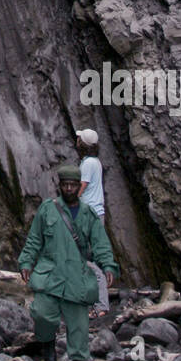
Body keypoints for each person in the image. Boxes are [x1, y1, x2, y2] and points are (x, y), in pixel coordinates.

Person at [17, 162, 118, 361]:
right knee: (41, 312)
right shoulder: (47, 210)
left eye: (74, 184)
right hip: (50, 272)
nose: (70, 188)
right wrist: (26, 262)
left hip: (76, 277)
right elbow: (34, 239)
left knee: (79, 328)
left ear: (78, 187)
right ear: (60, 186)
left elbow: (101, 243)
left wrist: (108, 265)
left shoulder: (88, 214)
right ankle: (48, 341)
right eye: (66, 184)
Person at [76, 128, 109, 316]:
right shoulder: (94, 162)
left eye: (79, 138)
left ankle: (101, 305)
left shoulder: (88, 164)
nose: (76, 139)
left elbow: (82, 186)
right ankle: (93, 301)